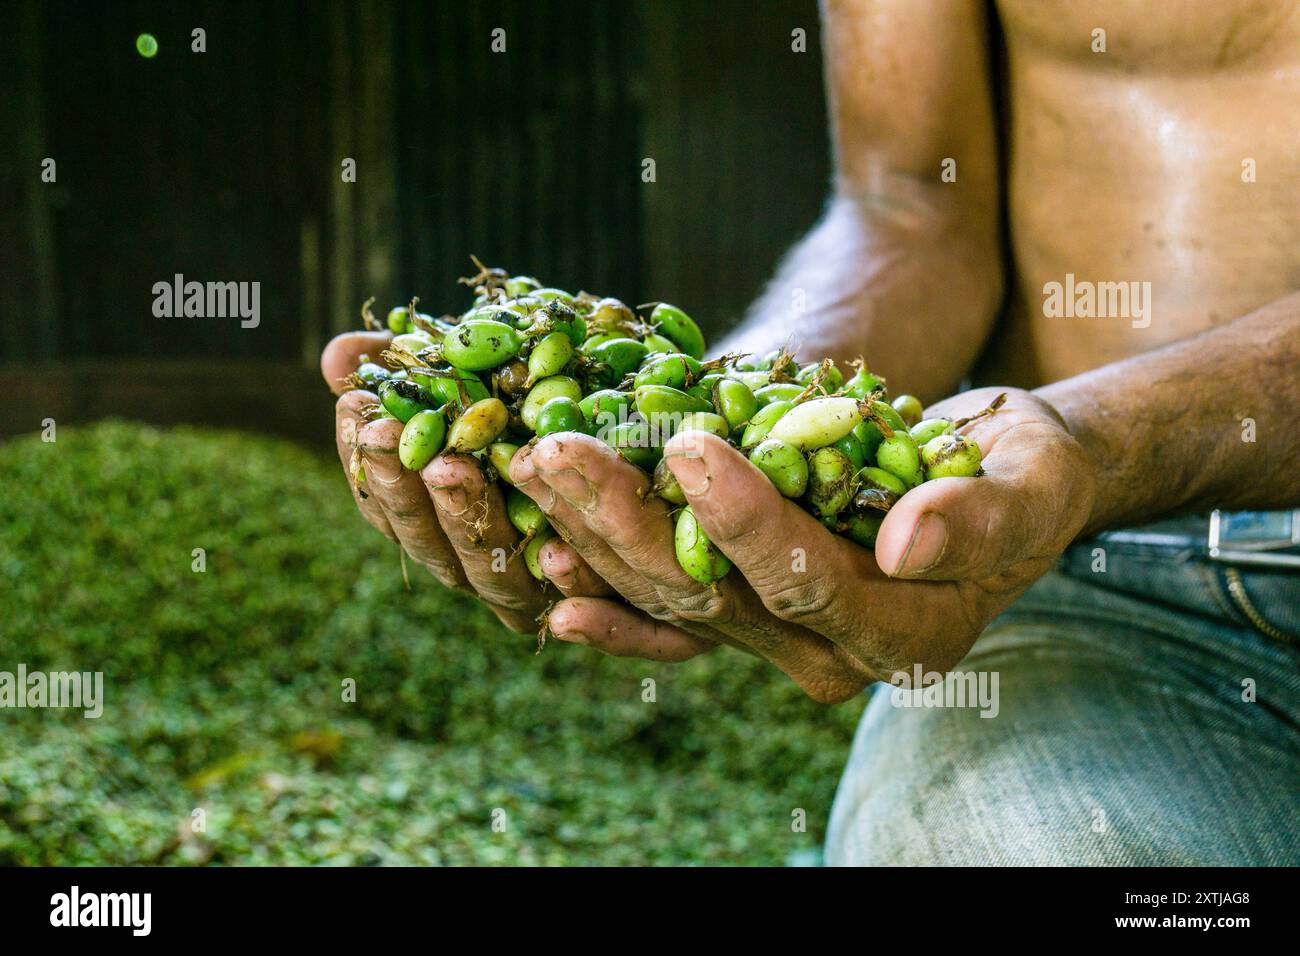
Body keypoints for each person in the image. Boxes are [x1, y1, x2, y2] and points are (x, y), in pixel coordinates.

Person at [321, 0, 1300, 865]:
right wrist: (730, 407)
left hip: (1082, 482)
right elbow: (912, 207)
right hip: (1095, 587)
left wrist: (1098, 441)